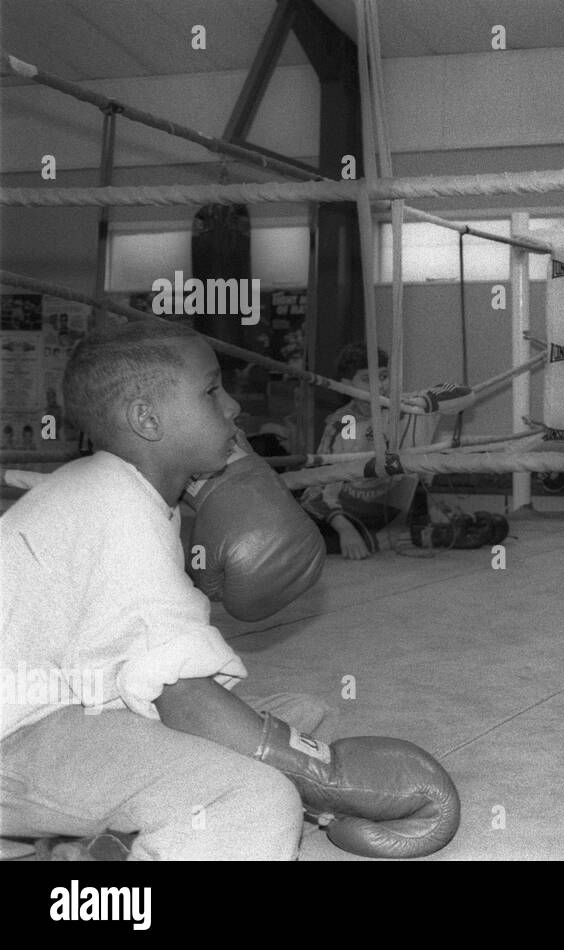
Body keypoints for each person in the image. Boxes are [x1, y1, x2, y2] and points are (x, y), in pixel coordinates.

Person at [0, 321, 457, 859]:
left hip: (79, 711)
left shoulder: (121, 492)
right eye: (212, 391)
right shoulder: (118, 508)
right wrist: (327, 774)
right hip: (22, 740)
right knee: (258, 800)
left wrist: (303, 753)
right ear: (147, 419)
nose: (234, 407)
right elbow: (181, 695)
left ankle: (102, 839)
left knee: (305, 715)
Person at [299, 341, 474, 559]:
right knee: (299, 538)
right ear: (345, 385)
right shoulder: (344, 423)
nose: (379, 386)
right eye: (366, 380)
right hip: (348, 517)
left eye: (383, 376)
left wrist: (423, 402)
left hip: (393, 514)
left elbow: (465, 394)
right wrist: (346, 530)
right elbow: (317, 491)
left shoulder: (411, 407)